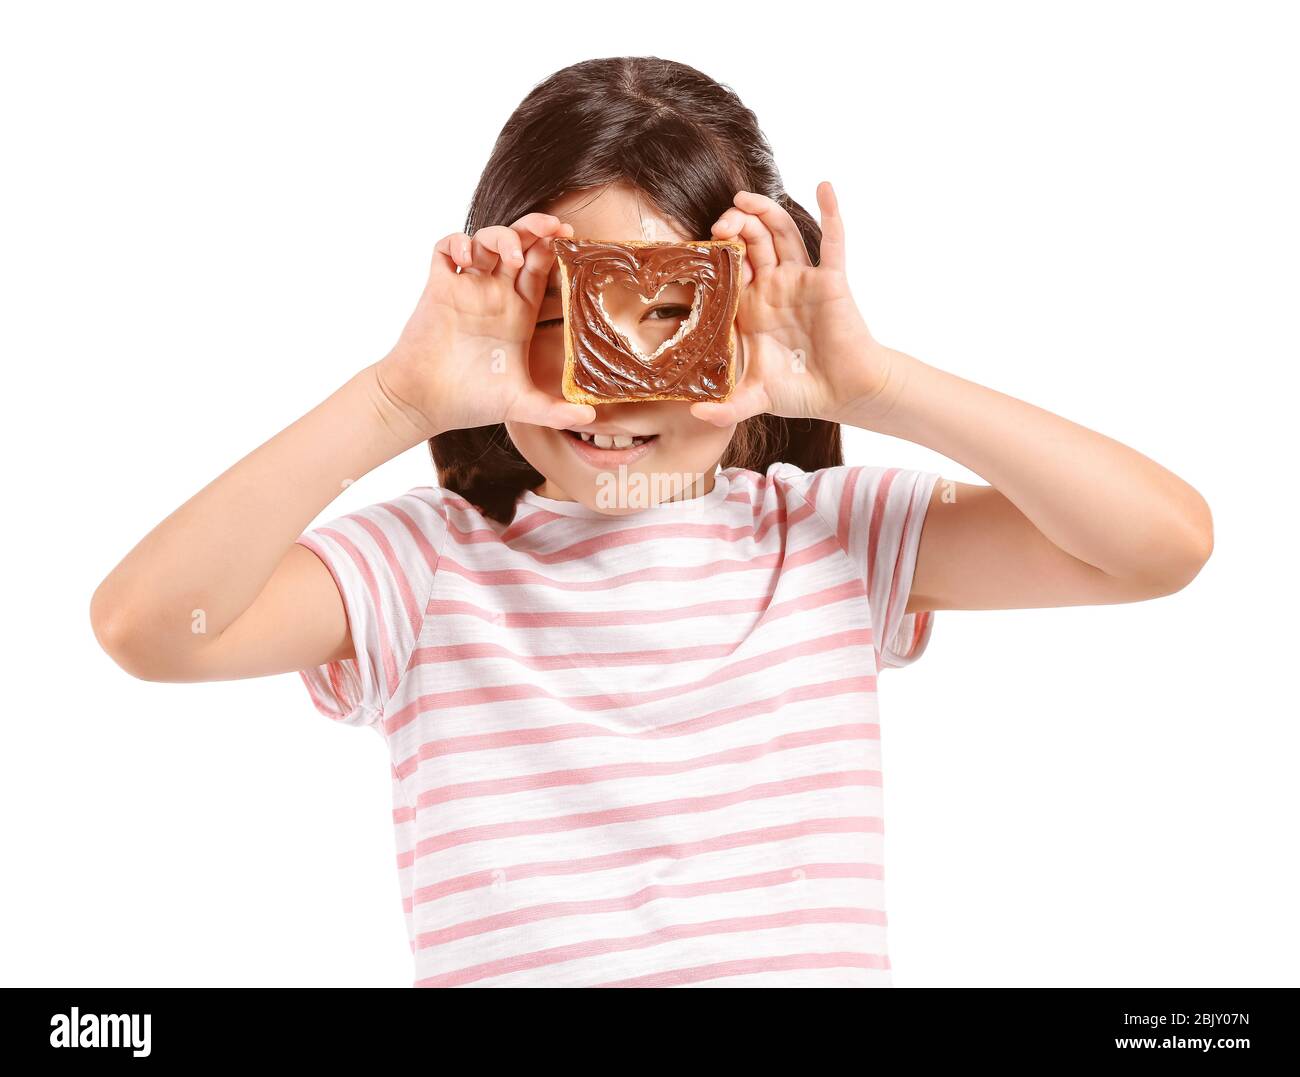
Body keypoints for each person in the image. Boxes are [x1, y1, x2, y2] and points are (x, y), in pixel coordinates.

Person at [90, 56, 1213, 987]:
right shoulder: (424, 567)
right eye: (569, 317)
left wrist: (875, 389)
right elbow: (152, 626)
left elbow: (1159, 546)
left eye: (676, 314)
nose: (618, 392)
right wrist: (395, 399)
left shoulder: (829, 538)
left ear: (751, 324)